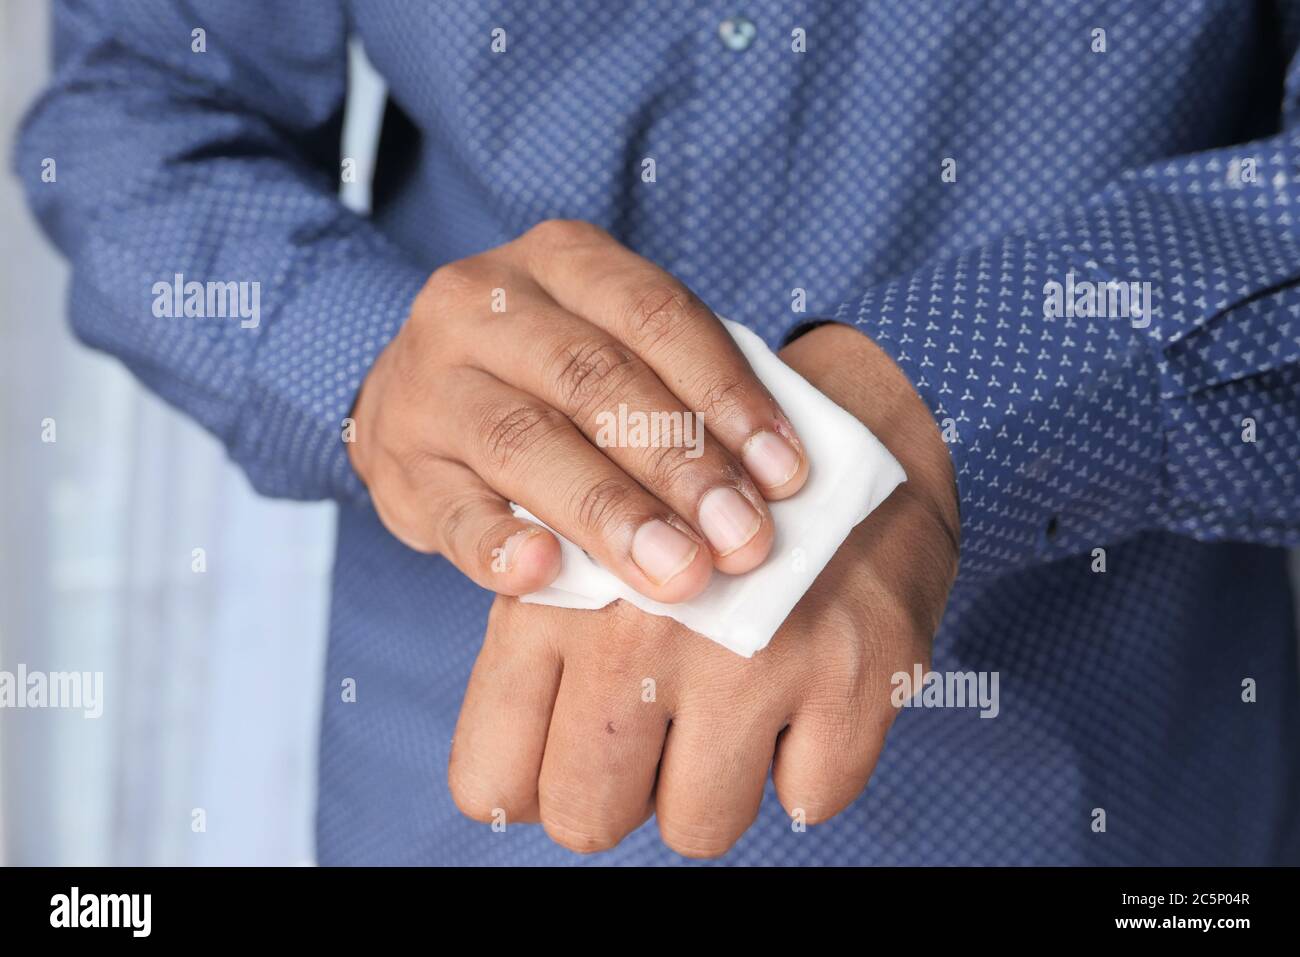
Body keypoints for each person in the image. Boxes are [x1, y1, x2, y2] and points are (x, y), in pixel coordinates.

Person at [17, 0, 1300, 865]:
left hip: (1096, 799)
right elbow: (136, 104)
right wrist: (360, 354)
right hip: (449, 783)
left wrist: (936, 403)